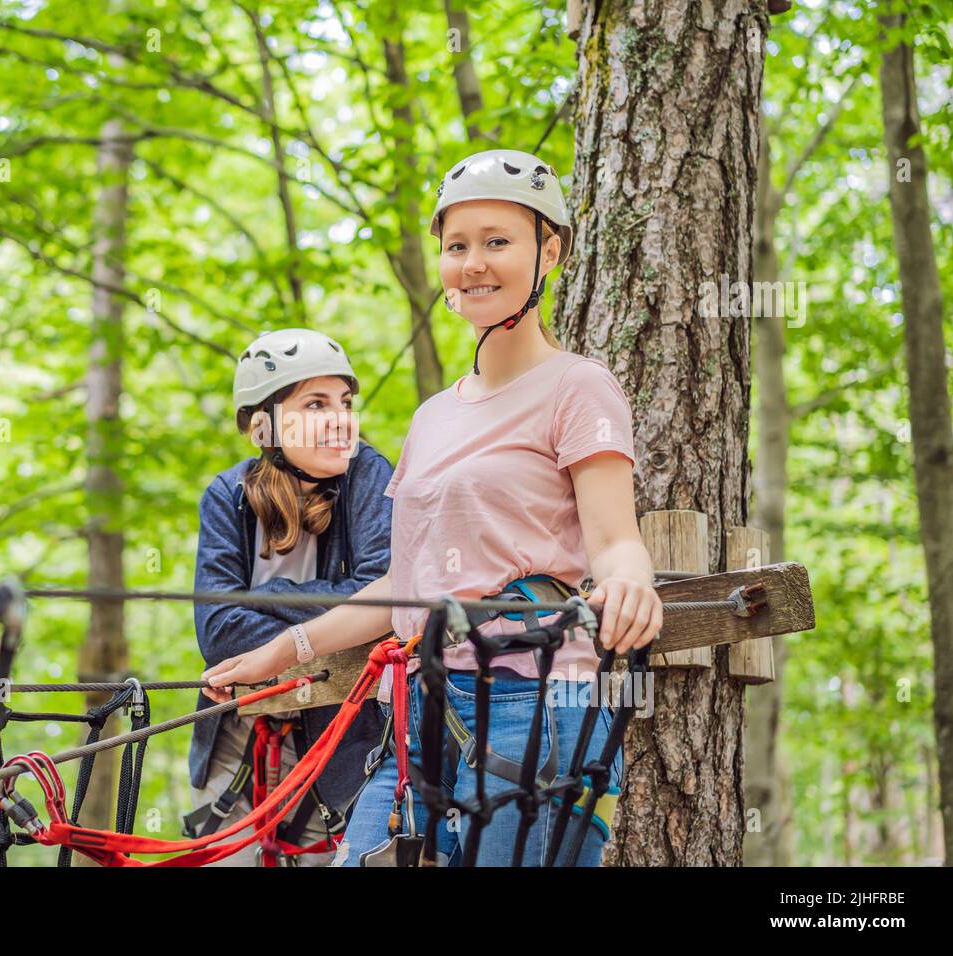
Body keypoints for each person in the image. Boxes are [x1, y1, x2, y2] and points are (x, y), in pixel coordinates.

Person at [200, 149, 663, 867]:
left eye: (497, 242)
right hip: (414, 715)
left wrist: (629, 580)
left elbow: (614, 541)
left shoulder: (580, 388)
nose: (473, 263)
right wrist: (283, 650)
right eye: (457, 246)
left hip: (533, 705)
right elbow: (404, 588)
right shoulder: (431, 418)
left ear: (550, 252)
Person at [186, 328, 394, 866]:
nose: (340, 419)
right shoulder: (227, 497)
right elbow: (219, 633)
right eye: (316, 404)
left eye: (345, 402)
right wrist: (336, 617)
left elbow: (382, 596)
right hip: (238, 733)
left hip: (340, 734)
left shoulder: (367, 475)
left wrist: (270, 594)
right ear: (264, 425)